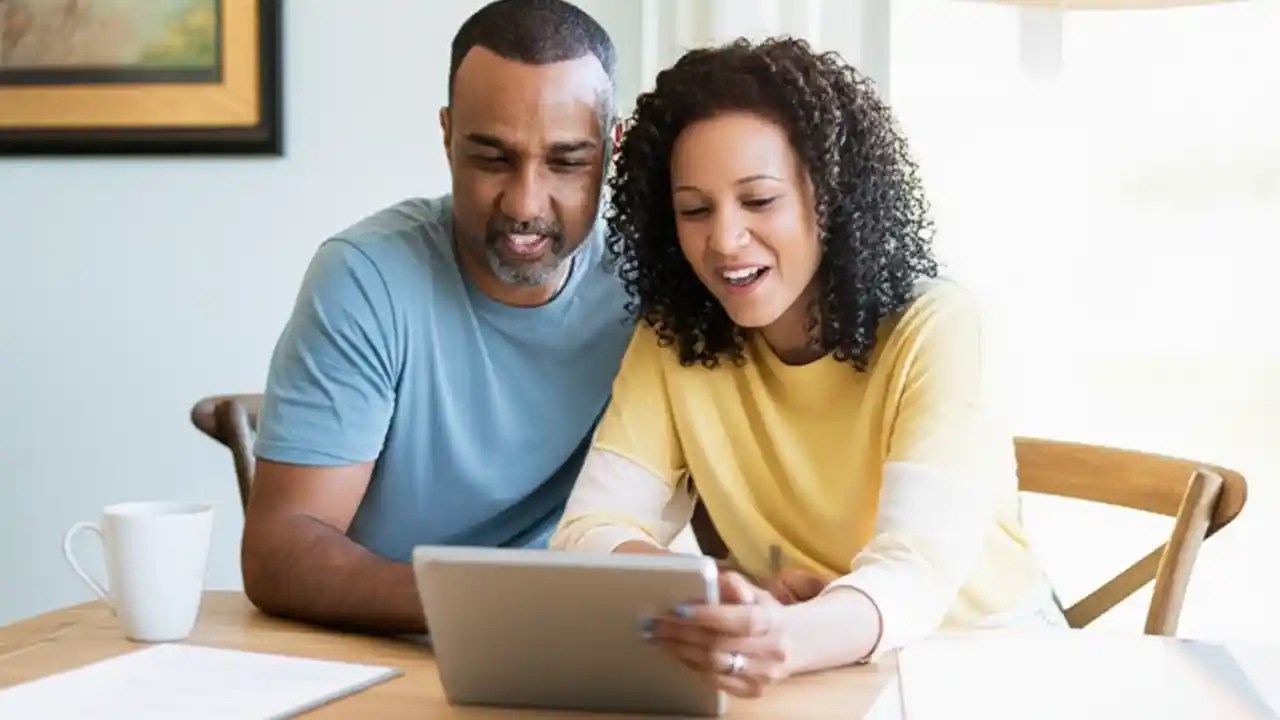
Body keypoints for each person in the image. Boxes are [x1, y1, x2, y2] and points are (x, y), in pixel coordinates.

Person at [549, 37, 1068, 697]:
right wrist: (712, 597)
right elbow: (584, 537)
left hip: (992, 668)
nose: (724, 241)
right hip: (816, 673)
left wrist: (782, 638)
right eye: (694, 210)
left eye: (759, 201)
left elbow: (914, 575)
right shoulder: (673, 339)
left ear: (829, 198)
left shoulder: (934, 327)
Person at [241, 0, 634, 635]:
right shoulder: (366, 277)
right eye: (492, 158)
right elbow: (279, 552)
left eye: (566, 161)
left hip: (574, 639)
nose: (526, 203)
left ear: (610, 152)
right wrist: (489, 605)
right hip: (387, 641)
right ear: (448, 136)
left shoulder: (654, 282)